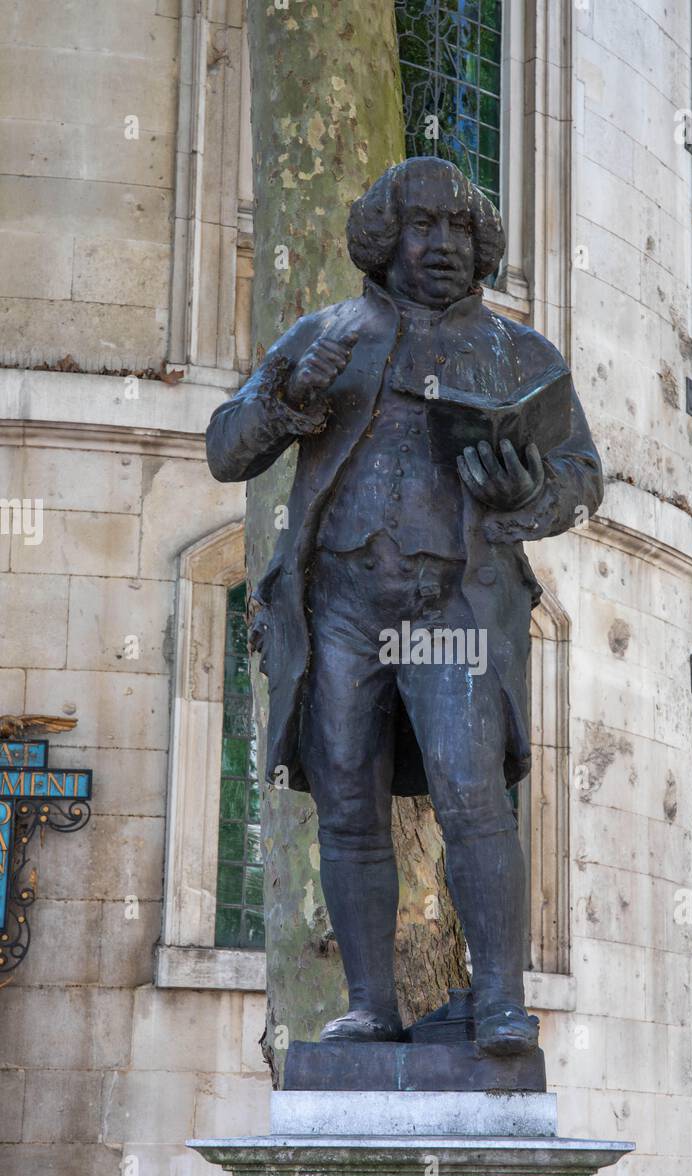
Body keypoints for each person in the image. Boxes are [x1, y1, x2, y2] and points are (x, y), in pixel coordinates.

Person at [206, 156, 603, 1056]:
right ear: (386, 240)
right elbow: (227, 448)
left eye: (461, 230)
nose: (444, 246)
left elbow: (584, 480)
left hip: (451, 607)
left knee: (473, 797)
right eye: (423, 227)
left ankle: (502, 1003)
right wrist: (287, 398)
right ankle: (369, 1005)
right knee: (346, 805)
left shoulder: (521, 354)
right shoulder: (325, 334)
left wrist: (524, 492)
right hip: (338, 609)